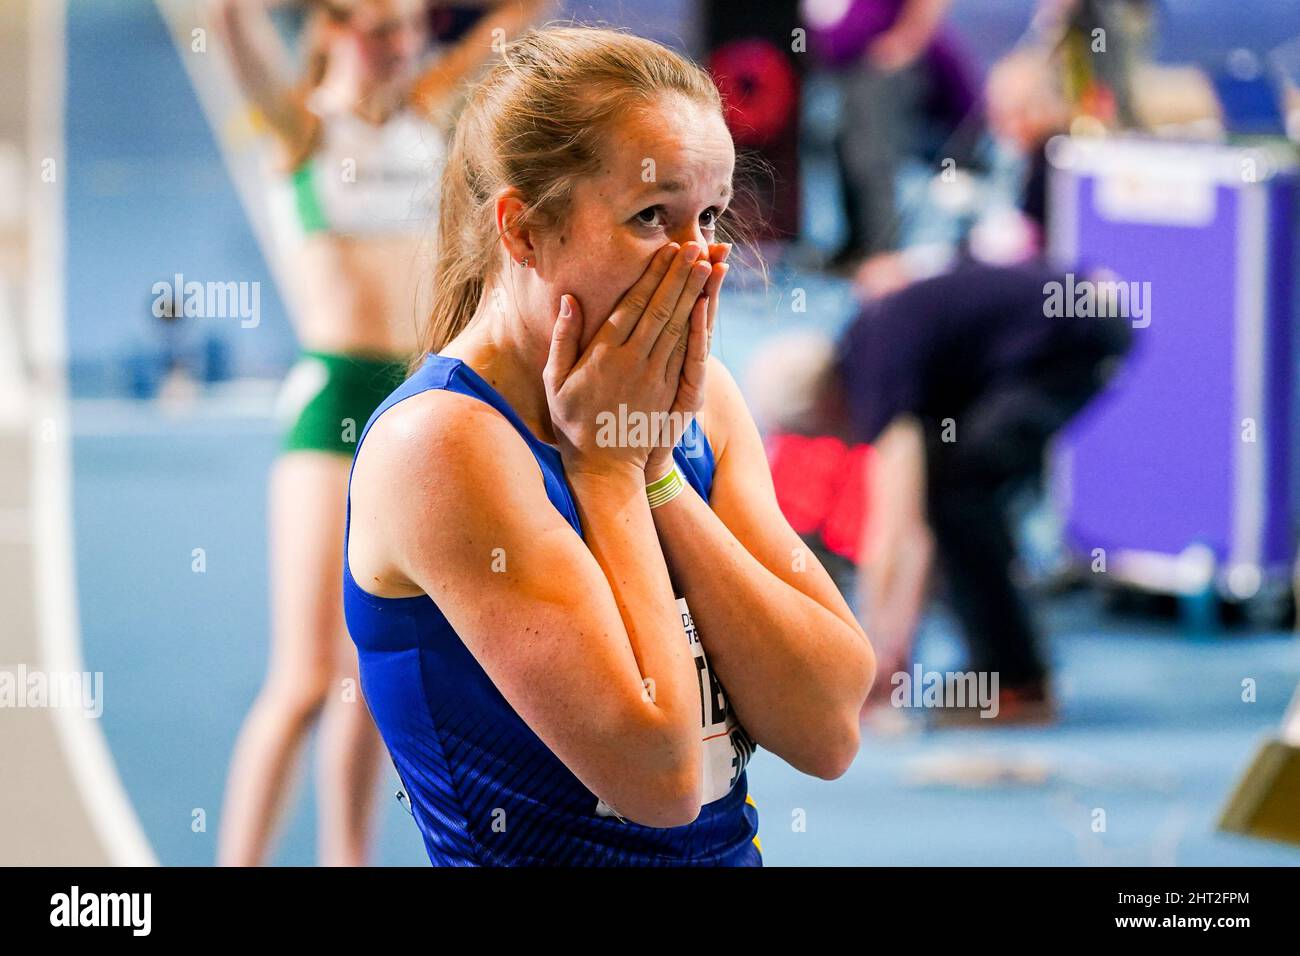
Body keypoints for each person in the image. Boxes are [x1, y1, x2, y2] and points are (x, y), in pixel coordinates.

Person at [344, 25, 876, 866]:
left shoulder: (699, 410)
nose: (697, 260)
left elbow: (829, 721)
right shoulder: (443, 446)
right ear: (521, 232)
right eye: (650, 217)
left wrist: (658, 472)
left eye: (708, 216)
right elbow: (658, 779)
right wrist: (607, 469)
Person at [210, 0, 548, 866]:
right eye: (380, 30)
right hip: (333, 406)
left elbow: (509, 23)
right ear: (333, 29)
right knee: (304, 678)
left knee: (369, 676)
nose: (402, 47)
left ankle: (345, 859)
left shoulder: (430, 112)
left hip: (415, 409)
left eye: (411, 29)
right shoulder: (300, 130)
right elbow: (234, 31)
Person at [750, 261, 1131, 725]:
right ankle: (1009, 672)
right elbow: (908, 539)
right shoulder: (874, 350)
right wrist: (892, 647)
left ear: (820, 407)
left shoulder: (874, 376)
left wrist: (878, 656)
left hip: (1075, 333)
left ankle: (1014, 683)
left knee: (956, 495)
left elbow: (897, 533)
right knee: (952, 489)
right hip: (1068, 320)